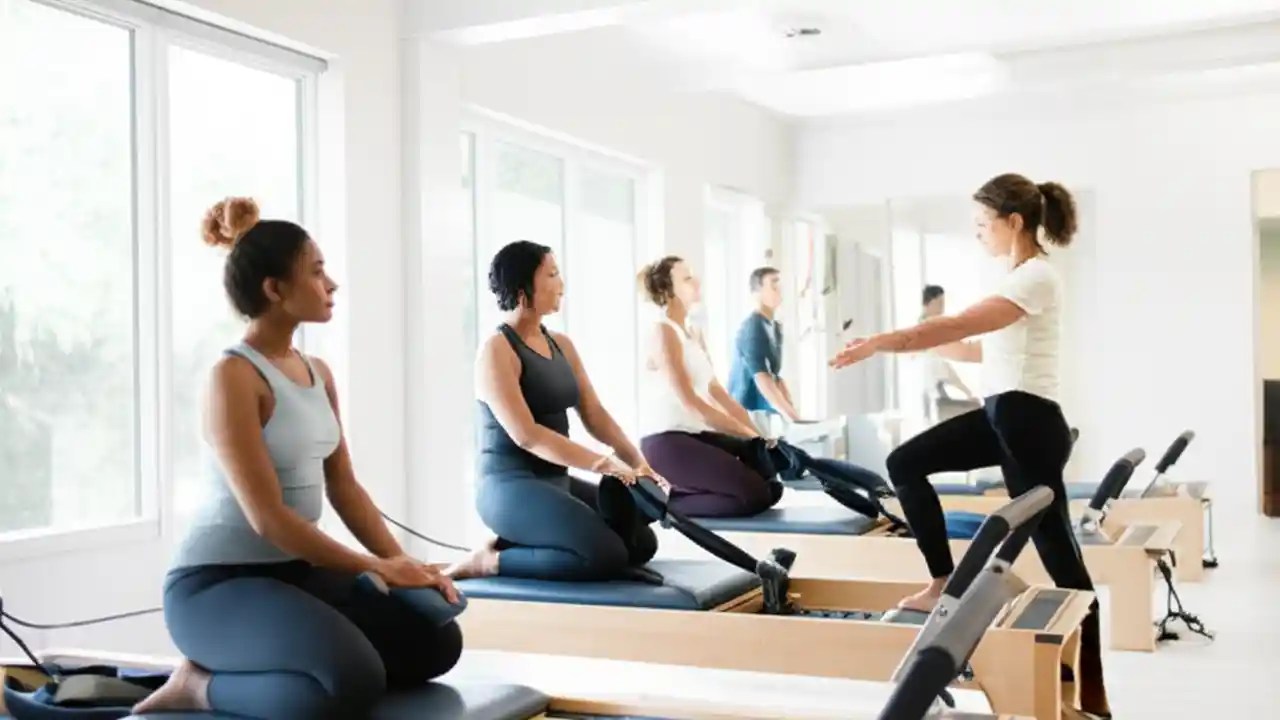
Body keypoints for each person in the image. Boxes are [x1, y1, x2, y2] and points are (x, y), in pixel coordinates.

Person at [133, 198, 462, 719]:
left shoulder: (318, 372)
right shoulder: (233, 377)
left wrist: (408, 566)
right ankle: (197, 686)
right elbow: (268, 519)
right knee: (351, 681)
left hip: (297, 572)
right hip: (218, 584)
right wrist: (377, 567)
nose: (331, 284)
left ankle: (293, 657)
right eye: (317, 271)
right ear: (274, 289)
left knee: (435, 643)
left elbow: (345, 487)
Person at [828, 173, 1109, 717]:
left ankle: (1094, 689)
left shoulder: (1037, 276)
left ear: (1014, 222)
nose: (977, 232)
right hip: (1002, 414)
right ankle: (941, 580)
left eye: (983, 223)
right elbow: (984, 351)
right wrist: (925, 338)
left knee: (1063, 561)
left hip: (1029, 422)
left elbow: (966, 324)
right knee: (904, 462)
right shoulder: (1017, 279)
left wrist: (894, 341)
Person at [447, 240, 666, 582]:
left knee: (641, 543)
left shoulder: (560, 344)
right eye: (551, 274)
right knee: (604, 554)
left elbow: (593, 413)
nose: (561, 284)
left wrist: (639, 464)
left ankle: (518, 540)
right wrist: (602, 464)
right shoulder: (496, 351)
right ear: (523, 289)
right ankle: (487, 561)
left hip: (554, 481)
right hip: (508, 485)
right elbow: (527, 435)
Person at [636, 256, 783, 517]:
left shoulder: (693, 334)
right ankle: (657, 504)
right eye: (687, 278)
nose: (697, 281)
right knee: (754, 496)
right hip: (667, 441)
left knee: (772, 486)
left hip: (695, 435)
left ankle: (686, 493)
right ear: (668, 290)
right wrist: (747, 434)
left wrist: (758, 437)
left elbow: (719, 394)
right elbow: (691, 403)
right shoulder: (663, 332)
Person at [726, 267, 805, 425]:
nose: (780, 290)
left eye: (781, 284)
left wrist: (794, 412)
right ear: (757, 292)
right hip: (746, 414)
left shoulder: (775, 327)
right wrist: (793, 418)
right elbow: (763, 378)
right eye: (774, 285)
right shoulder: (753, 327)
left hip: (766, 413)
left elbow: (775, 376)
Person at [919, 285, 978, 421]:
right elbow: (943, 368)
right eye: (940, 303)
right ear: (930, 303)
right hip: (935, 395)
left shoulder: (920, 330)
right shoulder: (930, 331)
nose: (942, 309)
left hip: (932, 394)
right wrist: (966, 391)